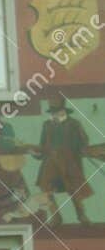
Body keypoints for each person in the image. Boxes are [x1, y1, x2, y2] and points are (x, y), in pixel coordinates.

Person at [36, 95, 91, 224]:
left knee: (73, 189)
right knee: (46, 188)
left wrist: (81, 150)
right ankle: (56, 216)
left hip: (69, 162)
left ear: (64, 111)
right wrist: (36, 153)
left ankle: (81, 215)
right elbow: (43, 145)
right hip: (50, 162)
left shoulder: (74, 124)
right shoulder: (47, 125)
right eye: (53, 112)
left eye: (57, 112)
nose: (55, 114)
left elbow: (84, 141)